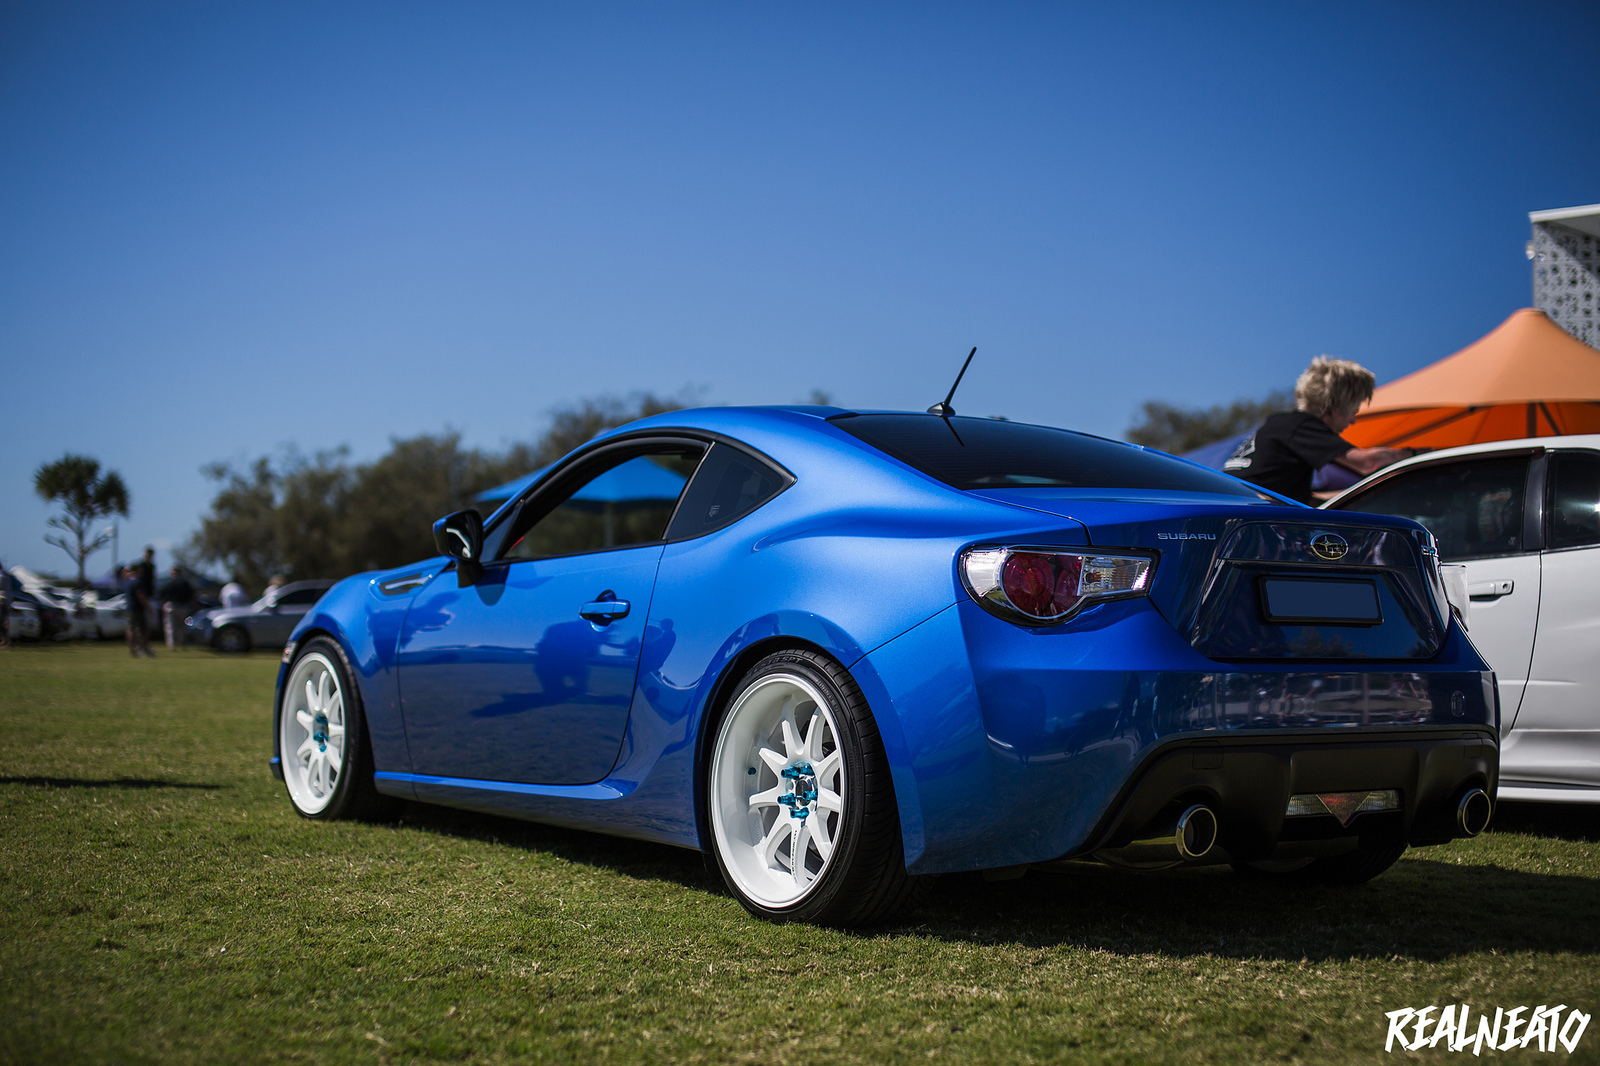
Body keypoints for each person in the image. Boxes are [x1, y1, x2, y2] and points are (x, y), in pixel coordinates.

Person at [1225, 356, 1419, 504]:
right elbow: (1368, 462)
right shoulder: (1301, 426)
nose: (1352, 421)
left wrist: (1360, 496)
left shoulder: (1280, 425)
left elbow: (1302, 500)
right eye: (1353, 411)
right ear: (1336, 407)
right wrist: (1418, 455)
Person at [159, 566, 196, 650]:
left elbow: (162, 597)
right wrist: (194, 606)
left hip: (171, 606)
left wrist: (162, 607)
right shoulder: (185, 583)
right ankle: (181, 643)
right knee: (181, 627)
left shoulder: (168, 583)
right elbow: (192, 596)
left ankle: (172, 644)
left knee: (171, 626)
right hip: (183, 606)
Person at [122, 566, 154, 658]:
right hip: (138, 609)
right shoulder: (137, 582)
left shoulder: (128, 582)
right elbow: (140, 595)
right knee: (143, 630)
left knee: (131, 629)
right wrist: (148, 607)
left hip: (130, 609)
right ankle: (142, 648)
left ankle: (132, 649)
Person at [135, 547, 158, 632]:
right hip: (142, 594)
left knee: (150, 621)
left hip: (150, 594)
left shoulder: (152, 566)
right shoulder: (140, 565)